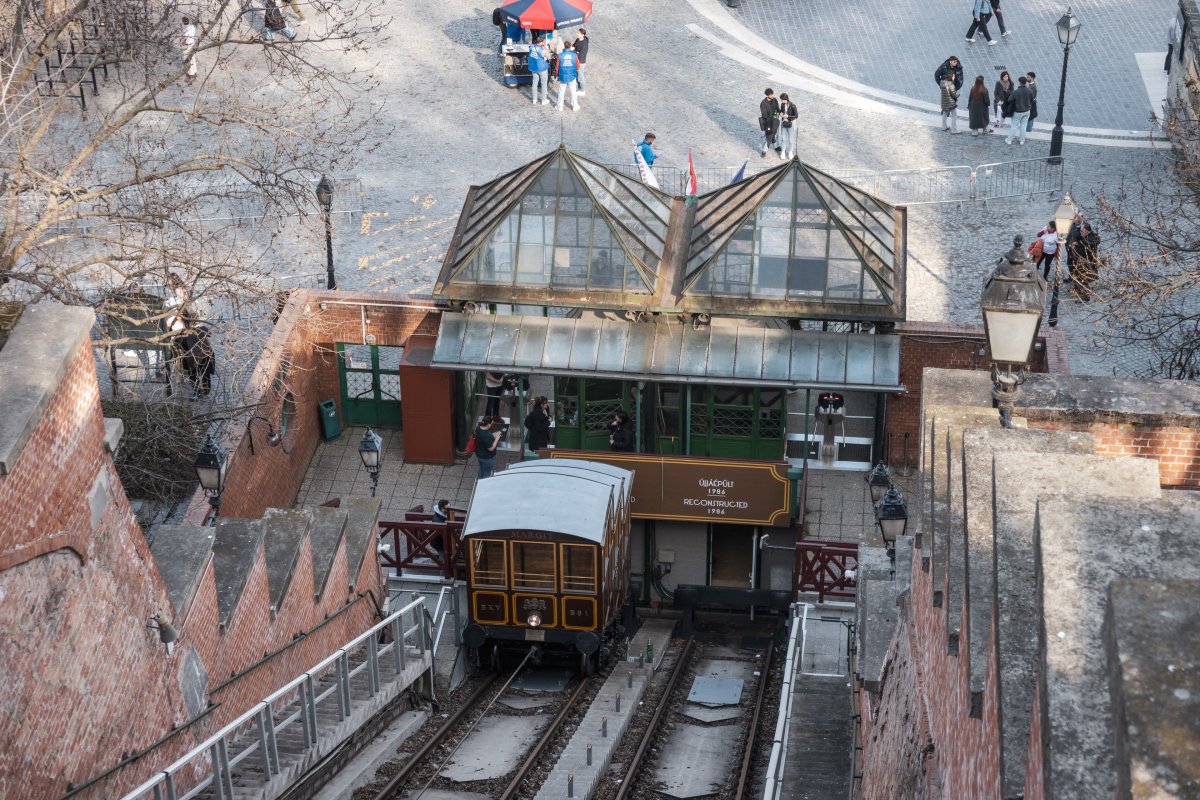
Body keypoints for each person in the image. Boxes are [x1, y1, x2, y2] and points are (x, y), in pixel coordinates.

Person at [1072, 223, 1100, 300]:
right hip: (1083, 263)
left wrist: (1077, 245)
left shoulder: (1090, 239)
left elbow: (1084, 250)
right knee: (1081, 280)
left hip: (1086, 263)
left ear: (1087, 231)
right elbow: (1077, 236)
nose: (1081, 233)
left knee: (1083, 280)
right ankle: (1081, 295)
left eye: (1082, 231)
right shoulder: (1087, 237)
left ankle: (1084, 297)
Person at [1006, 75, 1032, 145]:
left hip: (1018, 111)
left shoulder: (1016, 92)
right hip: (1027, 111)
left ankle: (1009, 140)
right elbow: (1031, 100)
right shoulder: (1029, 91)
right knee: (1023, 126)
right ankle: (1022, 140)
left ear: (1019, 82)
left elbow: (1009, 100)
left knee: (1014, 126)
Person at [556, 41, 580, 112]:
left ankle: (560, 106)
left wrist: (557, 75)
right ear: (570, 46)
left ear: (564, 46)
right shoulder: (574, 55)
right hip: (572, 76)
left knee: (561, 91)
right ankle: (575, 106)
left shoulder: (560, 55)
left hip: (562, 76)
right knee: (573, 91)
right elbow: (578, 66)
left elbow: (557, 67)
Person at [528, 35, 550, 105]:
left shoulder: (531, 47)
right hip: (542, 68)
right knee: (544, 84)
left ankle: (534, 99)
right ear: (541, 42)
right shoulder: (542, 50)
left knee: (534, 83)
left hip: (533, 68)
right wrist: (546, 49)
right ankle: (544, 100)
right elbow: (549, 56)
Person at [759, 88, 780, 158]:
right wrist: (768, 125)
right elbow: (765, 115)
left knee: (773, 133)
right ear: (767, 95)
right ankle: (764, 151)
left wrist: (778, 114)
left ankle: (775, 146)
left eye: (772, 94)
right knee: (768, 136)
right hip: (768, 122)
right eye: (770, 95)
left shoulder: (774, 100)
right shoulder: (763, 104)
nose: (772, 96)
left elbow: (777, 109)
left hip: (775, 120)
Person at [1064, 210, 1085, 281]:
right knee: (1069, 263)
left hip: (1077, 250)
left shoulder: (1083, 227)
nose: (1076, 219)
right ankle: (1071, 277)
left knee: (1077, 264)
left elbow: (1081, 221)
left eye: (1078, 218)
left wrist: (1077, 213)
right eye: (1075, 217)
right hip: (1069, 249)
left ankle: (1078, 279)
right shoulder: (1073, 225)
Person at [778, 92, 798, 159]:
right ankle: (783, 152)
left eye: (781, 99)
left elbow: (796, 115)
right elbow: (781, 111)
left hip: (790, 124)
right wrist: (781, 113)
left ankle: (790, 152)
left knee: (791, 140)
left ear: (785, 99)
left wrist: (788, 116)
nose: (781, 101)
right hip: (784, 123)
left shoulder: (793, 105)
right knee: (783, 139)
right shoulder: (782, 104)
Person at [180, 16, 197, 83]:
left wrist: (181, 41)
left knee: (187, 59)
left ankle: (191, 75)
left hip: (188, 46)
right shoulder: (192, 26)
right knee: (192, 58)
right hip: (192, 44)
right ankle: (194, 72)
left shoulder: (188, 29)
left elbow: (185, 38)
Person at [574, 28, 589, 95]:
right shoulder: (577, 39)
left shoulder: (584, 44)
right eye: (577, 32)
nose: (577, 34)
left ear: (582, 35)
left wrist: (574, 51)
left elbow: (581, 55)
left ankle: (582, 90)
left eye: (578, 33)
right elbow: (574, 46)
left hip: (581, 62)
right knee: (577, 75)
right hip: (576, 60)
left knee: (581, 76)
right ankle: (579, 88)